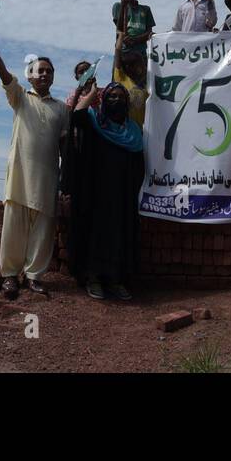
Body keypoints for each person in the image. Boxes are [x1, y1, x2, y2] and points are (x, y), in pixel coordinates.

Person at [0, 25, 69, 300]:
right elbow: (2, 72)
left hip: (47, 176)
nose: (44, 75)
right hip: (19, 175)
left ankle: (34, 276)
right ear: (30, 76)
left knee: (42, 229)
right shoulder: (19, 98)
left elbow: (66, 146)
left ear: (53, 77)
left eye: (48, 71)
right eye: (39, 71)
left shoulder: (62, 109)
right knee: (13, 227)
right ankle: (9, 277)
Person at [65, 81, 146, 301]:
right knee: (95, 235)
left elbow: (140, 166)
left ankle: (115, 281)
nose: (116, 100)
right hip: (95, 193)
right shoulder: (95, 123)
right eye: (111, 97)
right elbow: (78, 114)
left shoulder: (134, 132)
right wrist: (93, 93)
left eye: (121, 97)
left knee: (120, 236)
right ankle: (93, 279)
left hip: (122, 195)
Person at [111, 0, 155, 64]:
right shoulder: (118, 6)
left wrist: (135, 40)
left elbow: (149, 32)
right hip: (124, 53)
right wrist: (123, 6)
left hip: (141, 55)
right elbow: (119, 29)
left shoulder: (146, 9)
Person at [111, 32, 149, 128]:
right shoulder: (121, 78)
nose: (134, 67)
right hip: (125, 129)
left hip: (143, 131)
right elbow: (117, 52)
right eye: (130, 65)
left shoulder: (150, 83)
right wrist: (121, 37)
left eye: (138, 63)